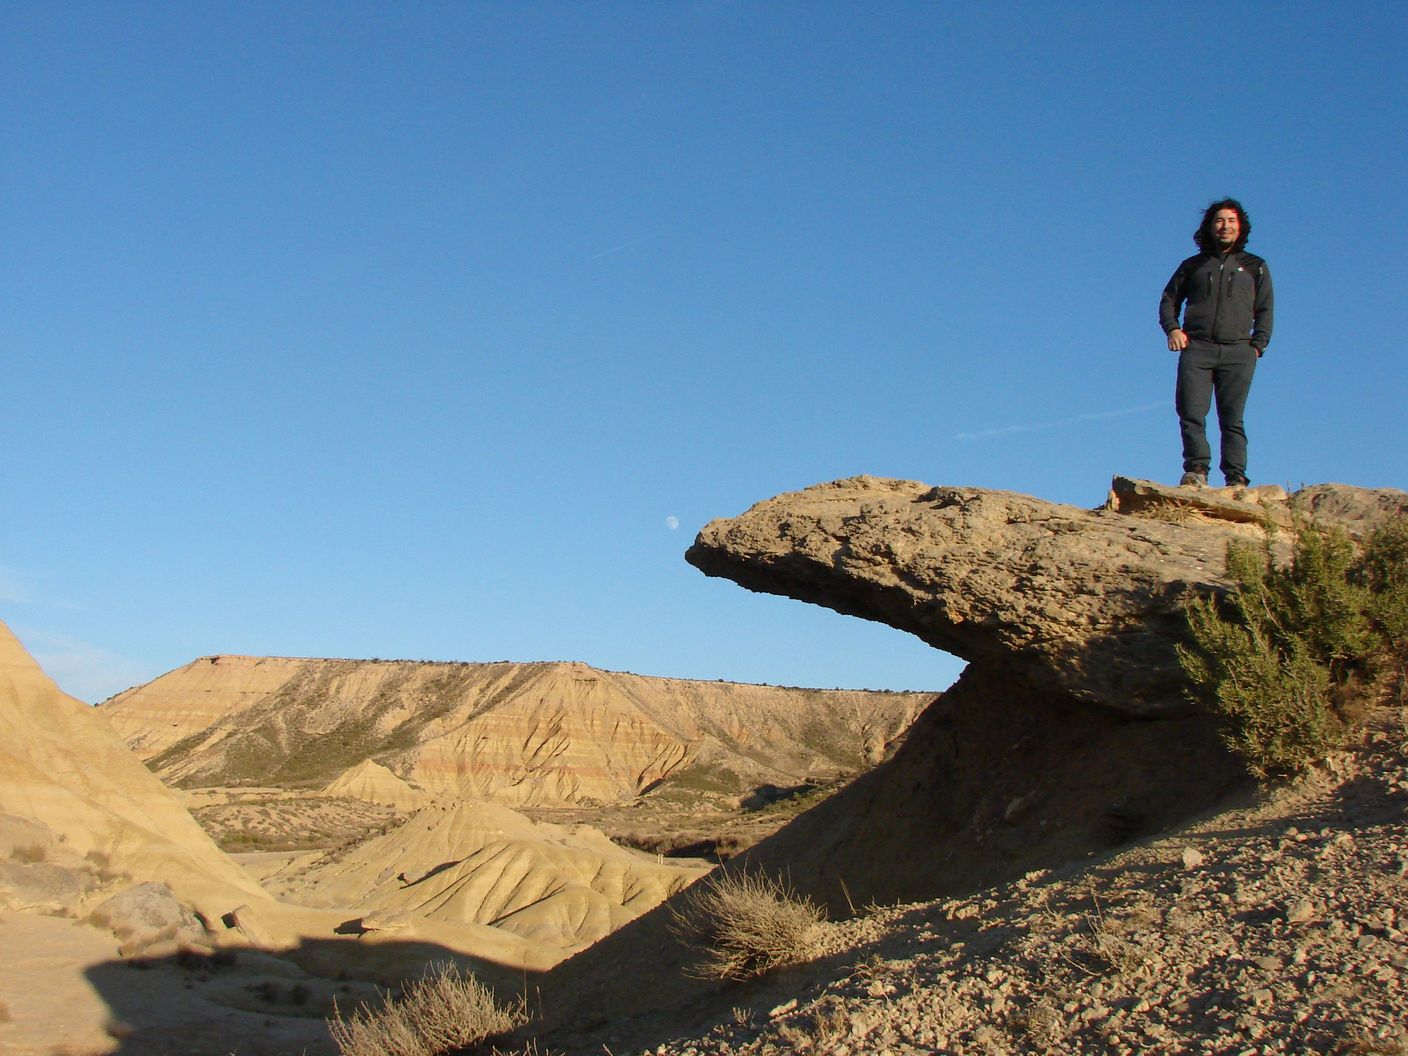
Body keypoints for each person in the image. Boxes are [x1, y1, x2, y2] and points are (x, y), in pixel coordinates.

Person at [1159, 198, 1274, 488]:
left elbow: (1265, 309)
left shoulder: (1255, 267)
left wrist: (1258, 344)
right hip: (1197, 348)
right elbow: (1169, 300)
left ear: (1241, 227)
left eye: (1231, 221)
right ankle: (1196, 470)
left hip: (1239, 350)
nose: (1225, 226)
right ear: (1210, 226)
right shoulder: (1193, 266)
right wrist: (1173, 329)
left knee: (1232, 418)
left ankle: (1236, 478)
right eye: (1220, 221)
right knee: (1191, 412)